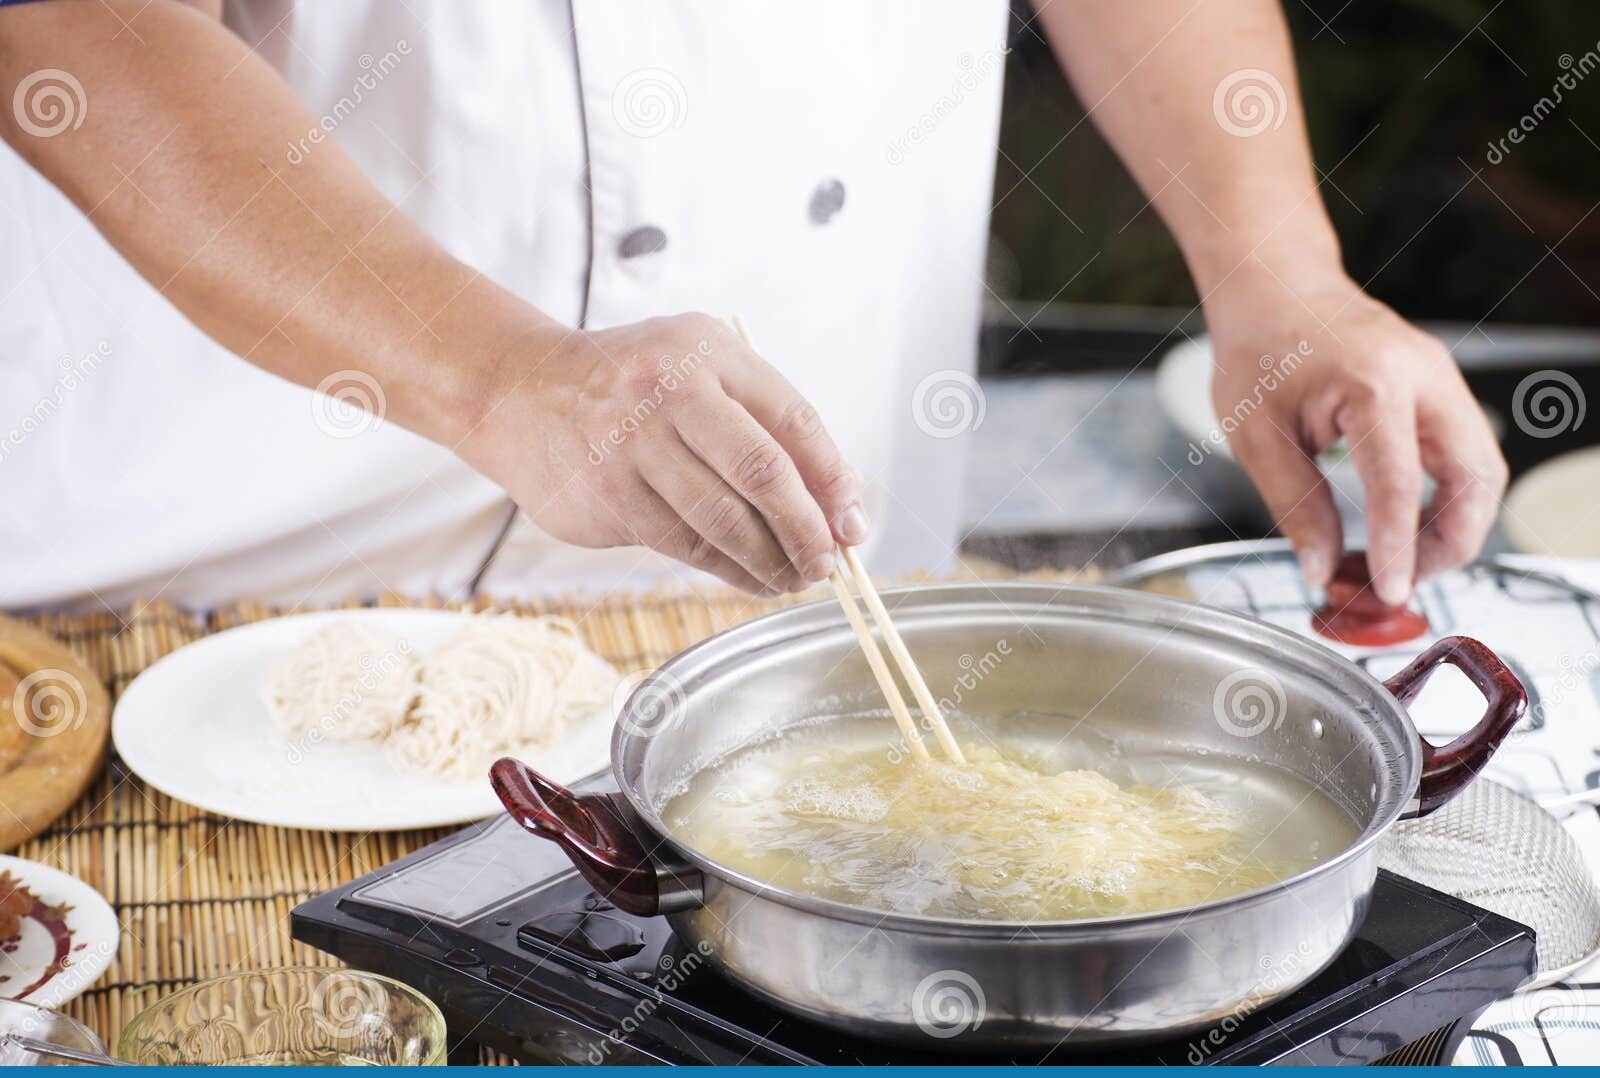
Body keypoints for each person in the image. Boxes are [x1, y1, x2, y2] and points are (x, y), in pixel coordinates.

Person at [0, 0, 1505, 612]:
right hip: (221, 567)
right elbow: (81, 28)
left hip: (787, 535)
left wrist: (1280, 271)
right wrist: (501, 375)